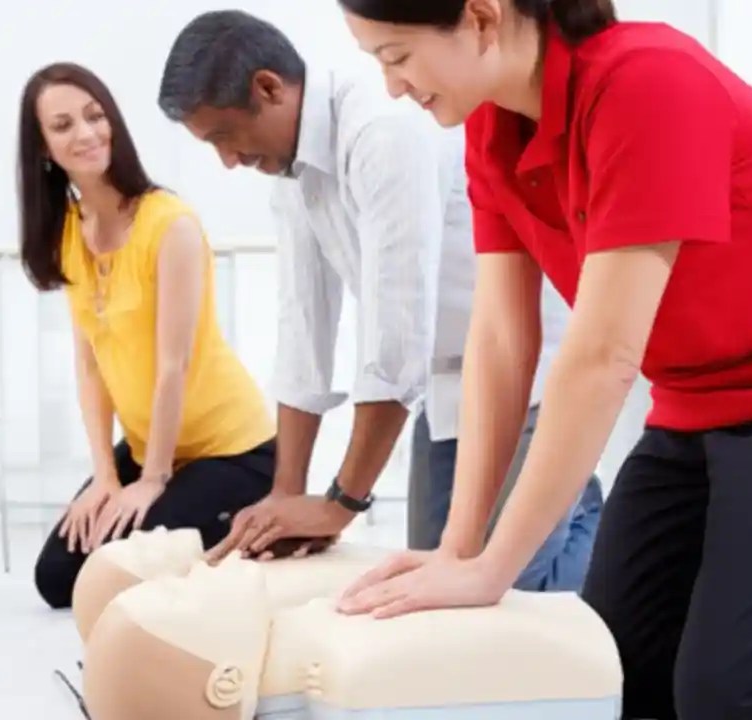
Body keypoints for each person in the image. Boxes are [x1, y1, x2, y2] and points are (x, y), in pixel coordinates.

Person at [333, 1, 752, 719]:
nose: (393, 88)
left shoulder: (648, 83)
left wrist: (497, 569)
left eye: (395, 57)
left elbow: (602, 357)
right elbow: (503, 339)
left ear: (480, 17)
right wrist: (459, 549)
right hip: (696, 400)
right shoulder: (491, 127)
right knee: (618, 670)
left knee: (734, 699)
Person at [155, 9, 601, 590]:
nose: (228, 161)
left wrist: (342, 502)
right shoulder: (292, 176)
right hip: (449, 388)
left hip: (530, 369)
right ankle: (571, 501)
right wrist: (287, 494)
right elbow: (303, 334)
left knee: (511, 587)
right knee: (433, 582)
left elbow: (396, 332)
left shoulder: (383, 130)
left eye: (222, 137)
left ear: (268, 87)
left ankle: (593, 520)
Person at [18, 62, 277, 609]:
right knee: (57, 577)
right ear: (43, 148)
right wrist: (106, 478)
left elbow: (172, 366)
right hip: (146, 448)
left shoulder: (169, 224)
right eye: (63, 125)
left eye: (95, 116)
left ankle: (249, 523)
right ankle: (192, 518)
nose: (86, 133)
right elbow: (89, 364)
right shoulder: (69, 229)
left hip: (231, 451)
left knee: (110, 576)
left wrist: (154, 479)